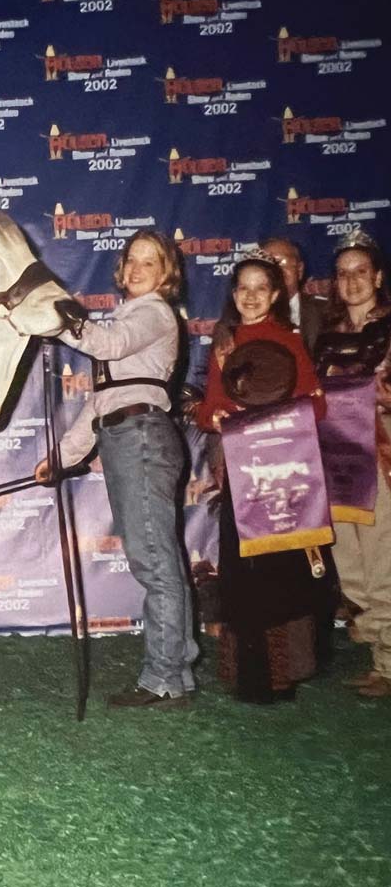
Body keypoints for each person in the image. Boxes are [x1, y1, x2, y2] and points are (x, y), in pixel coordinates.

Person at [36, 230, 198, 708]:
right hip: (126, 435)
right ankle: (176, 674)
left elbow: (108, 345)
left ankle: (166, 677)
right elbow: (101, 403)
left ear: (166, 273)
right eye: (131, 259)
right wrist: (62, 458)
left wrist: (61, 321)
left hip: (142, 436)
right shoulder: (127, 316)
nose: (136, 268)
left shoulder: (152, 312)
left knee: (155, 561)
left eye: (149, 262)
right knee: (156, 558)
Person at [196, 250, 328, 703]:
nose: (250, 296)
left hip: (282, 474)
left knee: (279, 571)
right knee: (242, 568)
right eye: (242, 288)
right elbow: (208, 405)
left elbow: (317, 402)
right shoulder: (225, 344)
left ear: (275, 294)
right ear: (234, 295)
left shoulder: (288, 341)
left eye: (260, 287)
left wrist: (275, 414)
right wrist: (215, 416)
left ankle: (283, 674)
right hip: (240, 472)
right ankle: (246, 673)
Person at [314, 231, 391, 699]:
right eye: (343, 273)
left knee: (383, 562)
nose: (352, 280)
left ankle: (388, 663)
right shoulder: (328, 339)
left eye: (360, 271)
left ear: (377, 277)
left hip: (380, 457)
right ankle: (377, 652)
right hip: (340, 463)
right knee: (352, 565)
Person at [262, 237, 325, 354]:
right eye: (268, 265)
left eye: (281, 263)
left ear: (299, 270)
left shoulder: (325, 311)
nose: (276, 271)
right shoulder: (248, 316)